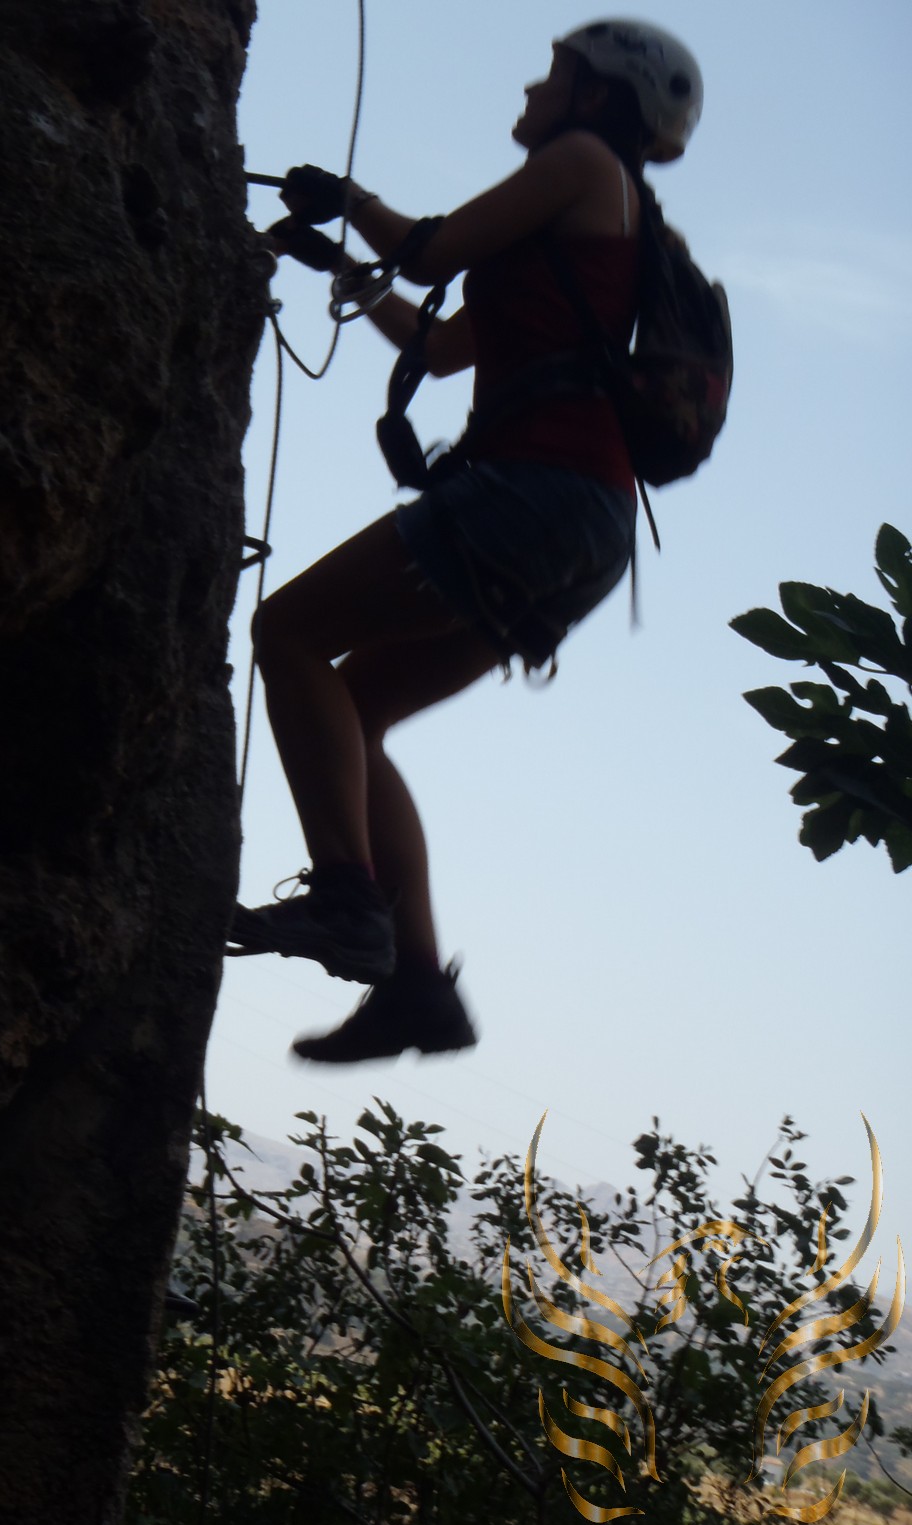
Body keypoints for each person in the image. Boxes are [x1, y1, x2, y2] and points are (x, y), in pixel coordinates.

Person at [229, 20, 703, 1064]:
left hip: (535, 493)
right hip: (583, 528)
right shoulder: (586, 238)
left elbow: (434, 247)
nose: (536, 86)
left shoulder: (581, 164)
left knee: (288, 630)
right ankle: (416, 995)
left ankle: (350, 899)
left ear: (598, 99)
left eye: (558, 74)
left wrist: (347, 200)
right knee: (357, 711)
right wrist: (349, 270)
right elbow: (444, 348)